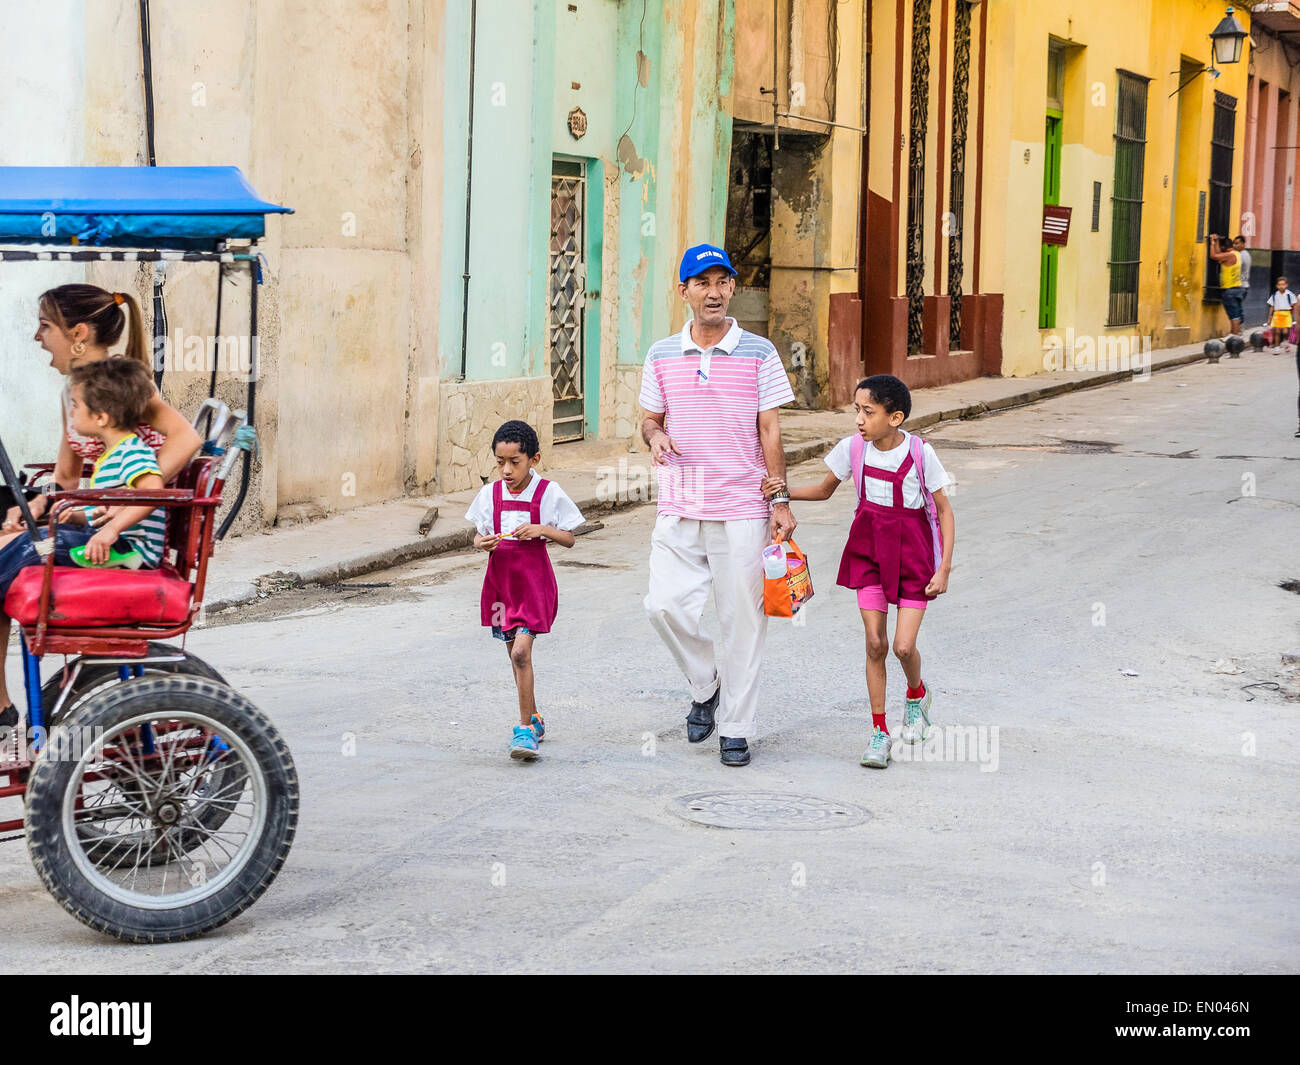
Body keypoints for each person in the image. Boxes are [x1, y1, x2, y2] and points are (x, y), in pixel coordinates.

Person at [0, 284, 200, 727]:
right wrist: (35, 507)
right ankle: (0, 704)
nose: (37, 337)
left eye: (45, 326)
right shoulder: (74, 395)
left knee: (12, 553)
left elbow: (187, 438)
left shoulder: (120, 390)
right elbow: (67, 478)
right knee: (7, 532)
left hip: (121, 535)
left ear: (80, 334)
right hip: (90, 517)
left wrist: (125, 501)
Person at [640, 243, 796, 767]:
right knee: (662, 605)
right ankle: (706, 683)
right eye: (702, 283)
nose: (714, 292)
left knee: (743, 621)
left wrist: (778, 497)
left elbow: (769, 427)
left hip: (743, 505)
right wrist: (655, 436)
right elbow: (649, 418)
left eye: (722, 282)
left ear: (732, 288)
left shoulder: (759, 352)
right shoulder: (662, 353)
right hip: (680, 501)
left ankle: (736, 726)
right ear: (683, 292)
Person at [763, 375, 955, 769]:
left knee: (902, 647)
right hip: (868, 549)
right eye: (856, 411)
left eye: (868, 412)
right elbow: (823, 489)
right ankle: (879, 733)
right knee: (874, 642)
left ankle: (916, 694)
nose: (859, 420)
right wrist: (780, 493)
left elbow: (944, 511)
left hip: (914, 554)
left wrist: (944, 567)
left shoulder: (921, 454)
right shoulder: (853, 449)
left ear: (895, 417)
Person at [0, 360, 168, 729]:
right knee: (30, 540)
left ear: (102, 417)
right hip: (111, 541)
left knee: (34, 549)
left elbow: (152, 493)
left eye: (75, 405)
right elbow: (100, 509)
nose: (71, 412)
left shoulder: (132, 452)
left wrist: (109, 532)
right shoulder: (110, 455)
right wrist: (67, 512)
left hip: (128, 552)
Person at [465, 420, 585, 761]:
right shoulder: (489, 495)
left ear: (534, 459)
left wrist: (541, 529)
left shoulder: (548, 492)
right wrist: (480, 543)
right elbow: (476, 535)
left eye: (514, 462)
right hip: (500, 585)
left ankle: (523, 732)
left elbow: (570, 538)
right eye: (499, 462)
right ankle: (533, 718)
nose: (505, 470)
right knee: (514, 656)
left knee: (520, 654)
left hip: (533, 585)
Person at [1208, 234, 1244, 336]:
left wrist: (1212, 243)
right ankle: (1234, 335)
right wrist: (1217, 242)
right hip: (1238, 288)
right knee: (1236, 314)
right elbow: (1219, 254)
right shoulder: (1236, 254)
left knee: (1234, 316)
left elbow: (1214, 256)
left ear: (1224, 248)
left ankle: (1234, 338)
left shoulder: (1229, 255)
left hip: (1230, 290)